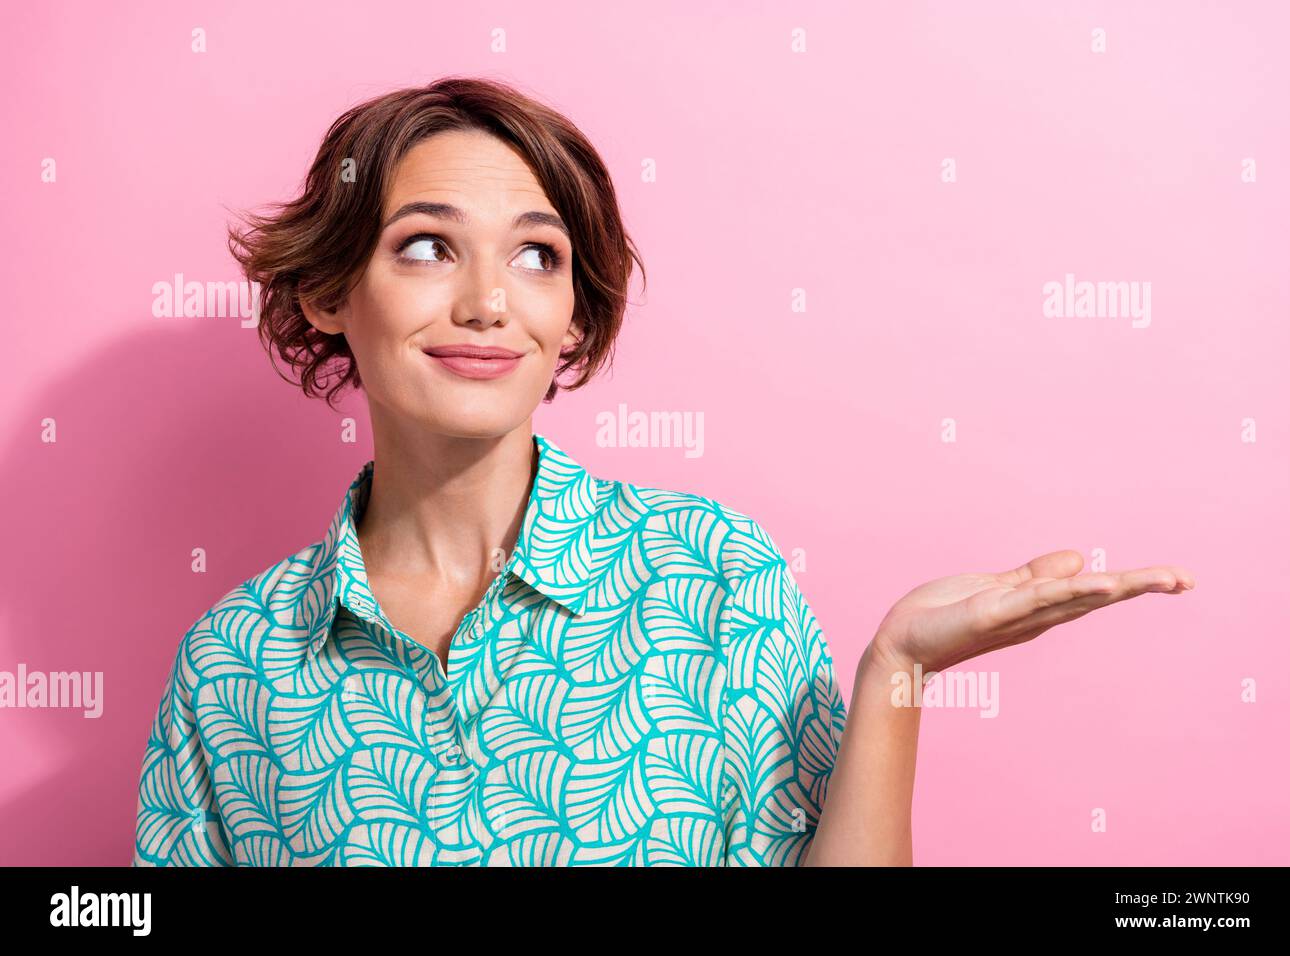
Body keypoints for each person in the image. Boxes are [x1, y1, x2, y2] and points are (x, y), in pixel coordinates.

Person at [131, 76, 1194, 867]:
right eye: (425, 246)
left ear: (573, 314)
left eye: (537, 255)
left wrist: (896, 669)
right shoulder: (230, 667)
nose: (488, 302)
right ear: (326, 293)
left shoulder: (715, 575)